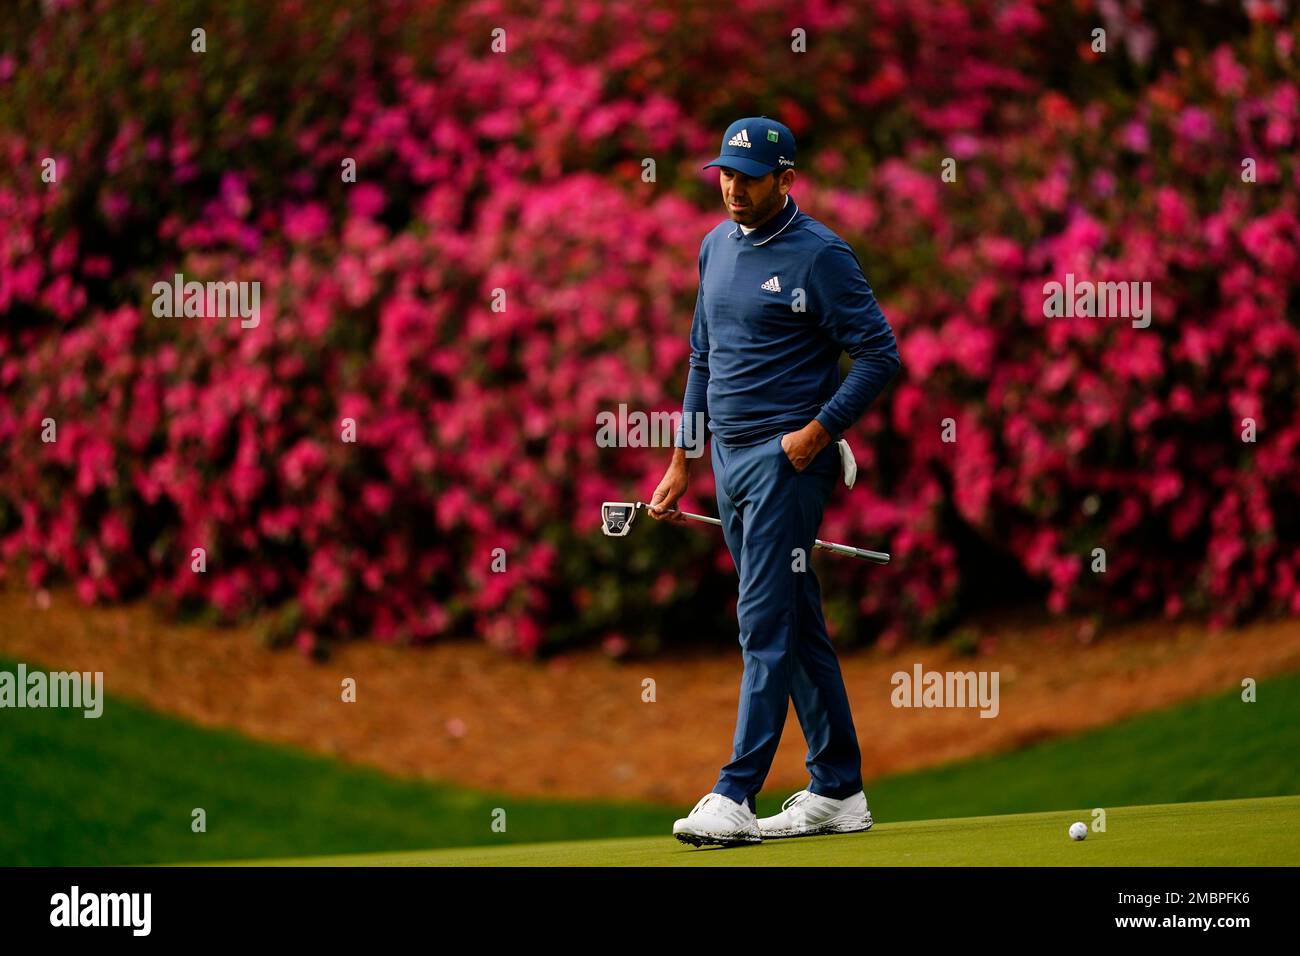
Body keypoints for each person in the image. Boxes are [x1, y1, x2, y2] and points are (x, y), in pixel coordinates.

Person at [651, 116, 902, 846]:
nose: (732, 187)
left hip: (787, 461)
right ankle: (838, 788)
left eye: (748, 177)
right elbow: (703, 357)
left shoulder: (821, 256)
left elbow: (881, 354)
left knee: (762, 620)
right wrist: (682, 460)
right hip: (727, 459)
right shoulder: (714, 247)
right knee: (795, 621)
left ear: (785, 180)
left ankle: (735, 793)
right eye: (724, 173)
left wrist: (818, 434)